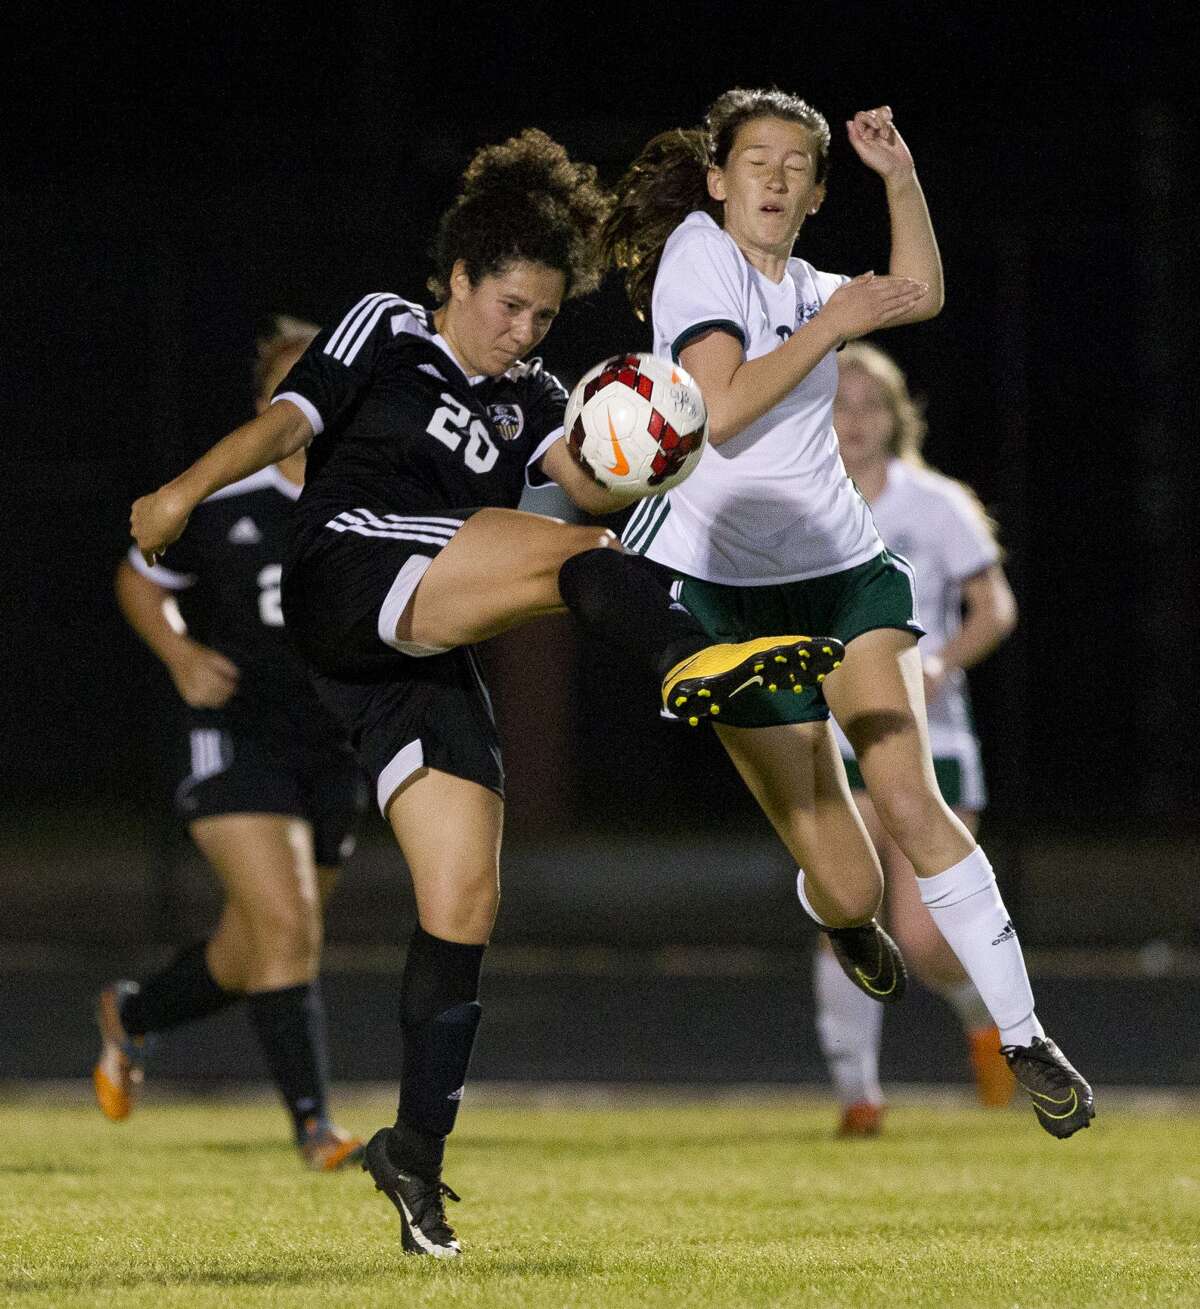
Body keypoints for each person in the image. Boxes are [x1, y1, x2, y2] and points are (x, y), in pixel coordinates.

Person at [129, 129, 844, 1257]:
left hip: (411, 642)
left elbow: (591, 491)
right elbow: (291, 424)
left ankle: (414, 1152)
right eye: (508, 305)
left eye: (545, 319)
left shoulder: (538, 397)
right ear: (457, 281)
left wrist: (673, 446)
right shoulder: (388, 326)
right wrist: (182, 488)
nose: (523, 332)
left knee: (462, 899)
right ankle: (686, 658)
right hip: (350, 564)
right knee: (572, 569)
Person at [602, 89, 1094, 1138]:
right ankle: (837, 916)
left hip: (842, 571)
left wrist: (901, 176)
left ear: (820, 192)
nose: (775, 179)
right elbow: (722, 411)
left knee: (910, 795)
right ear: (719, 179)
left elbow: (915, 287)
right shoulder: (701, 252)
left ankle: (1024, 1033)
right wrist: (834, 321)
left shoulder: (815, 279)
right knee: (847, 877)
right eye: (758, 161)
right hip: (725, 595)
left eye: (796, 167)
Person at [96, 317, 366, 1169]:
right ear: (266, 405)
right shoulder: (228, 495)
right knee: (286, 928)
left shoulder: (368, 498)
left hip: (334, 746)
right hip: (237, 732)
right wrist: (180, 653)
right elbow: (139, 579)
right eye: (295, 386)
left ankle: (131, 1012)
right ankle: (315, 1126)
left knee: (254, 949)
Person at [813, 340, 1018, 1136]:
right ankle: (859, 1097)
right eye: (839, 403)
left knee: (925, 936)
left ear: (896, 418)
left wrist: (936, 661)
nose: (854, 420)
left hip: (932, 737)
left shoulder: (937, 503)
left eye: (870, 404)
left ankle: (980, 1014)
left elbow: (993, 607)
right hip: (834, 739)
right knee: (844, 911)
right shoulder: (802, 507)